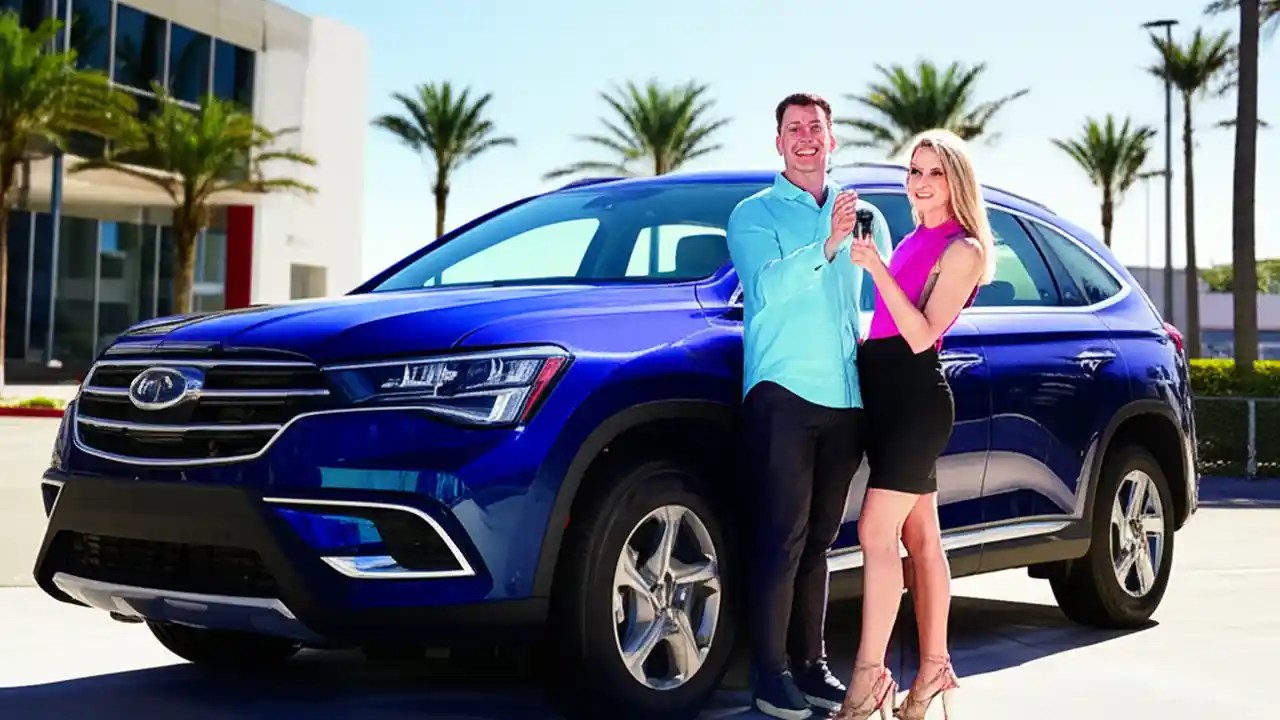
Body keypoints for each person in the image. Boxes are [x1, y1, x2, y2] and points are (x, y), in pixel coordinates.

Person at [725, 92, 891, 720]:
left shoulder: (866, 213)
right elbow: (764, 289)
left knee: (821, 539)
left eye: (816, 128)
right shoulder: (754, 213)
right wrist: (827, 243)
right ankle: (768, 675)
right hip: (783, 396)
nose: (806, 138)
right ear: (778, 142)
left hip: (846, 398)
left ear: (833, 138)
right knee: (782, 537)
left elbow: (883, 294)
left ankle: (811, 665)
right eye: (794, 129)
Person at [834, 129, 995, 720]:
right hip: (886, 398)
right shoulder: (916, 240)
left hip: (915, 403)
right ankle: (931, 671)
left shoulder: (965, 249)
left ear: (956, 182)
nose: (921, 184)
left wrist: (875, 267)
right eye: (915, 171)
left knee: (876, 532)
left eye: (935, 173)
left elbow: (922, 332)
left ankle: (869, 679)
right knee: (921, 536)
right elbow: (879, 328)